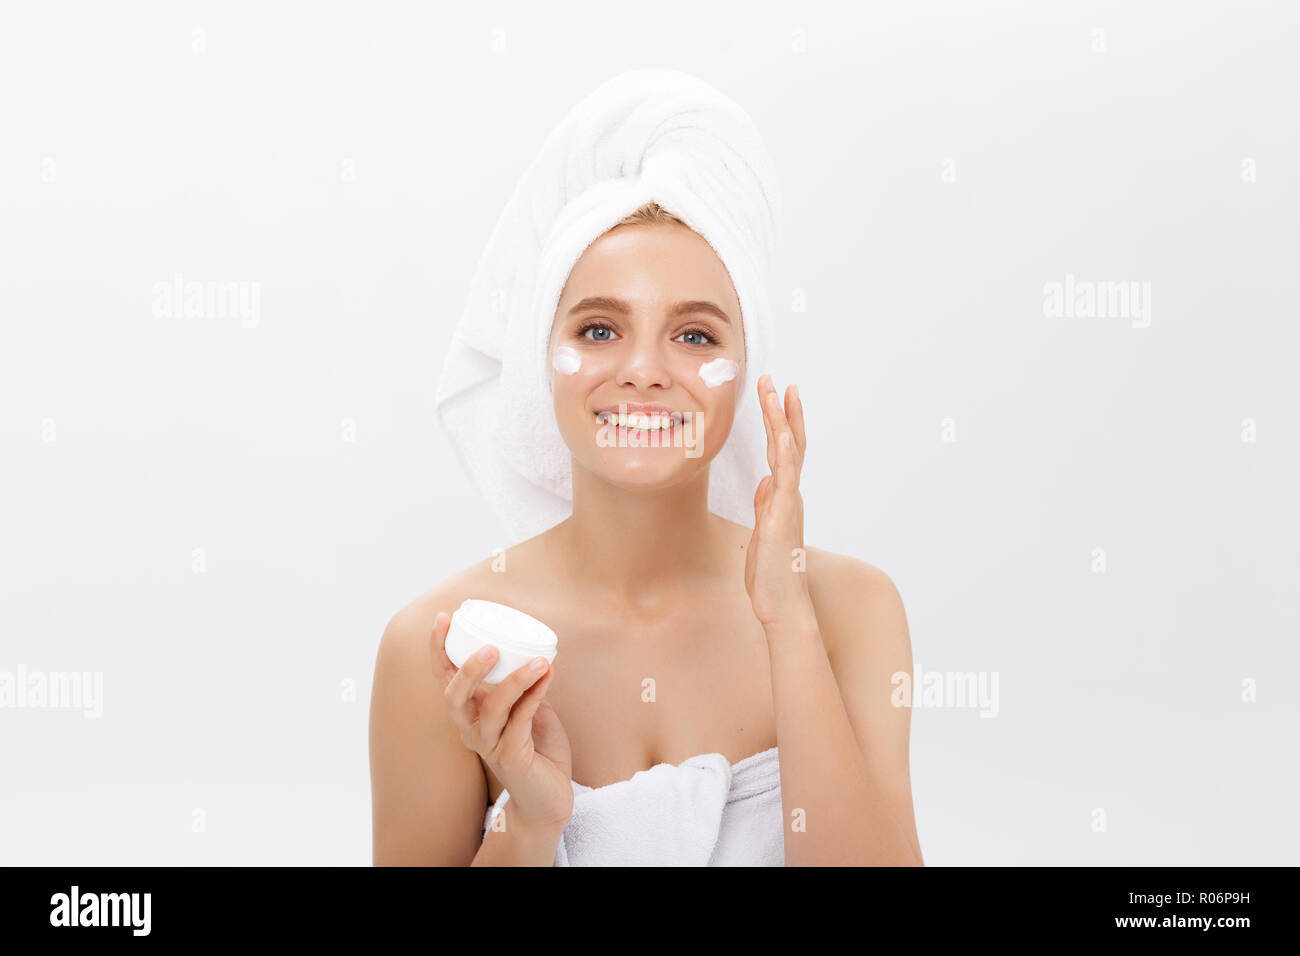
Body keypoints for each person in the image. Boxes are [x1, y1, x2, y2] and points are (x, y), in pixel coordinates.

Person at [369, 197, 923, 866]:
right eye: (600, 330)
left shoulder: (849, 611)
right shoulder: (452, 649)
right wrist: (531, 825)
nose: (644, 370)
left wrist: (789, 623)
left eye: (694, 336)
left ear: (746, 370)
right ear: (540, 360)